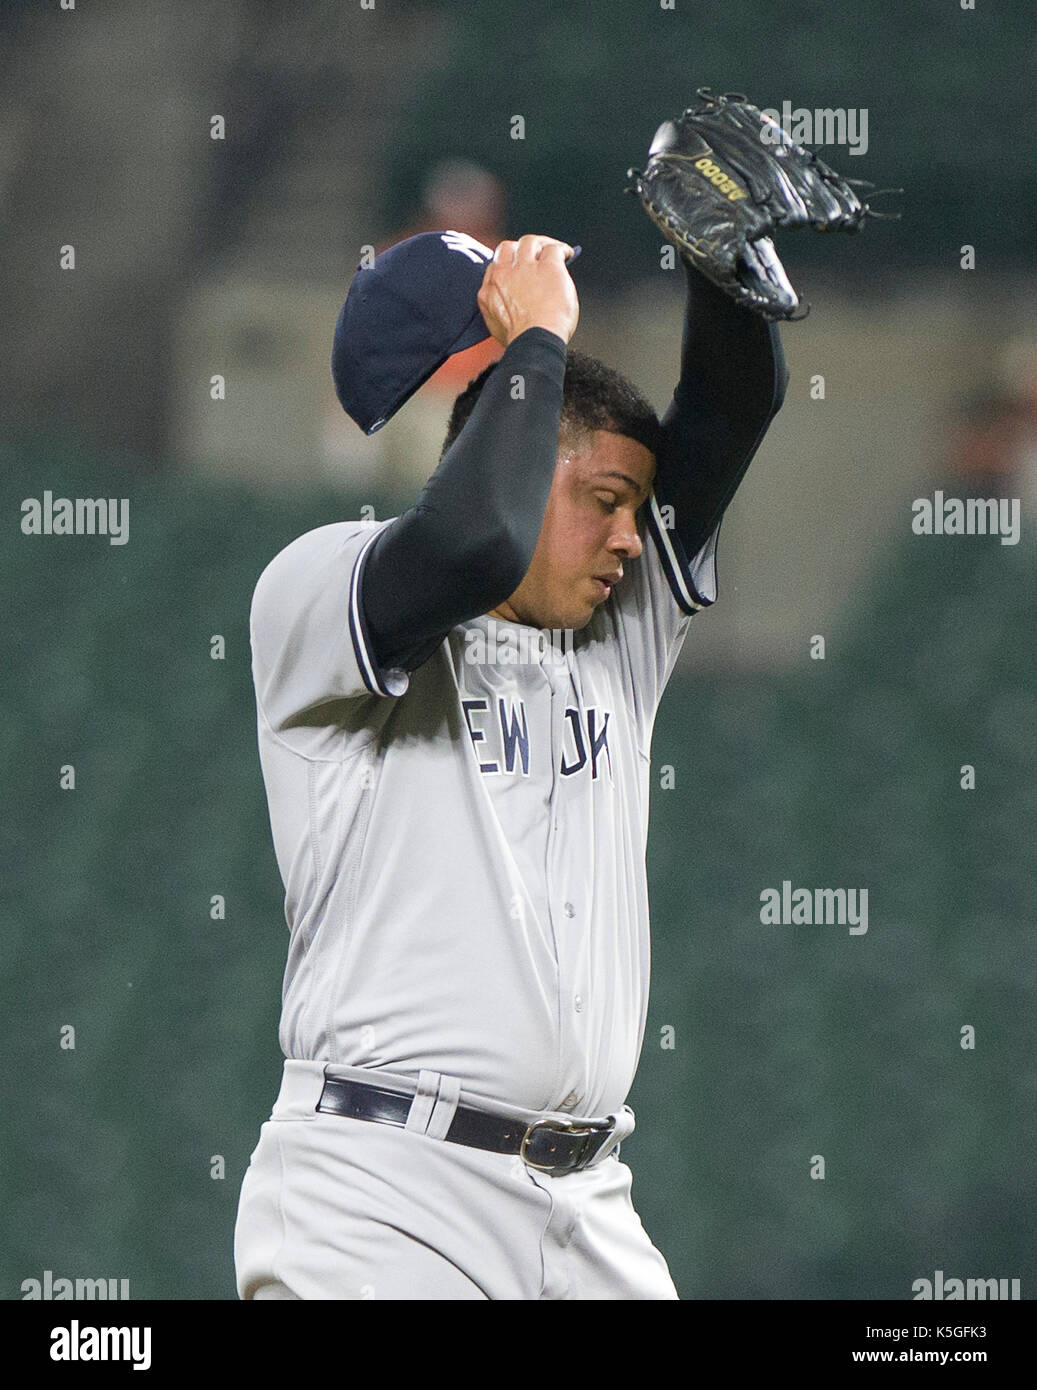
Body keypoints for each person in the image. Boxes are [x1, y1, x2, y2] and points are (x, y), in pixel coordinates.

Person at [234, 233, 788, 1300]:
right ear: (524, 461)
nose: (633, 540)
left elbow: (728, 408)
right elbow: (470, 544)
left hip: (586, 1205)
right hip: (383, 1189)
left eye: (638, 508)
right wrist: (536, 335)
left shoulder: (615, 641)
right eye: (606, 499)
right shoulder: (314, 589)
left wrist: (724, 257)